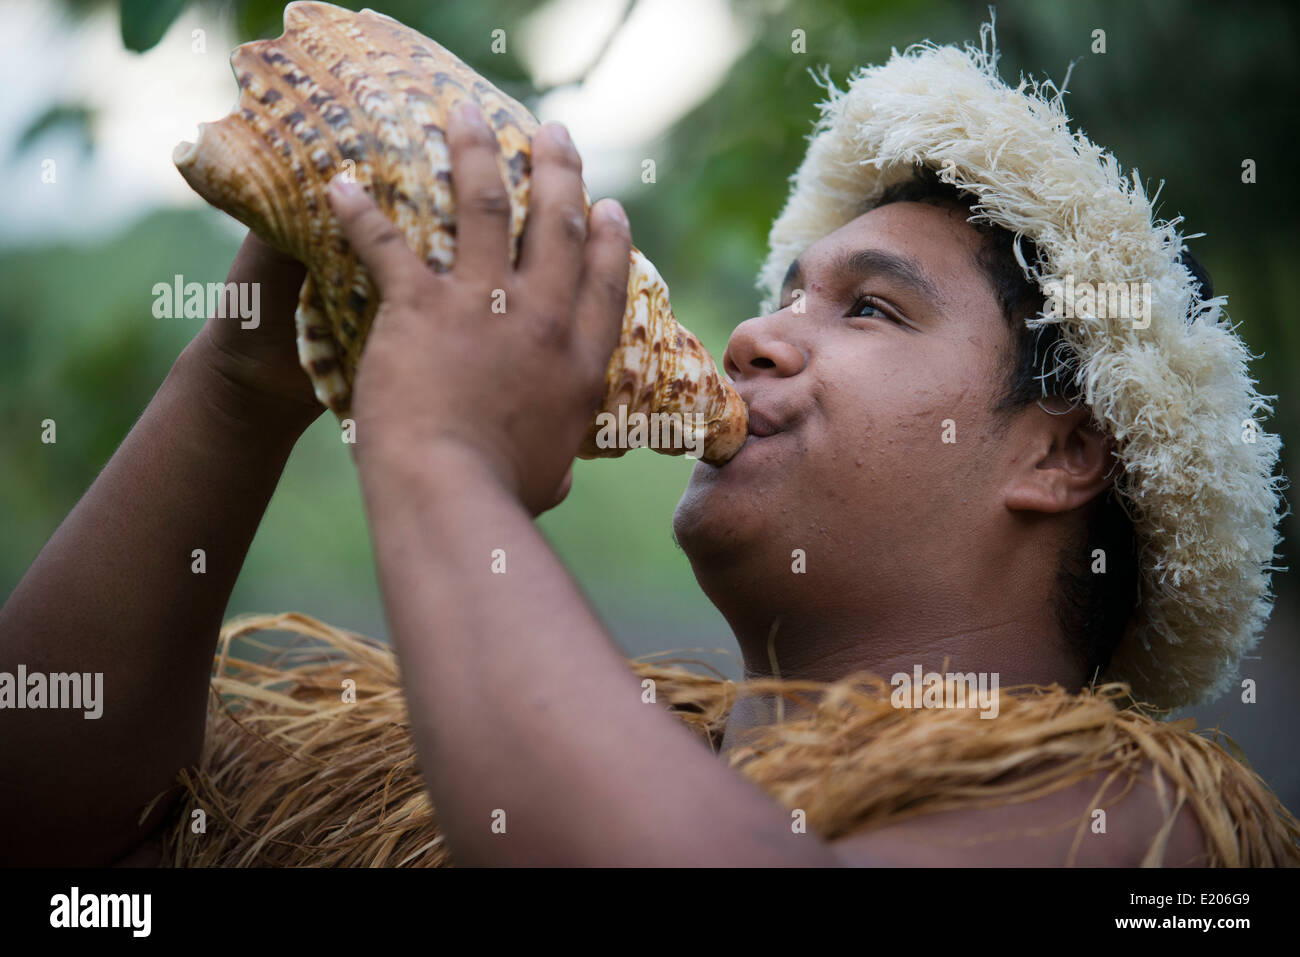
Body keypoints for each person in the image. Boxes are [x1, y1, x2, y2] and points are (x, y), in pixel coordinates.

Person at [1, 24, 1295, 867]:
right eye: (783, 293)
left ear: (1062, 454)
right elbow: (59, 830)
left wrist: (440, 457)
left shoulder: (1148, 830)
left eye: (871, 308)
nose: (756, 339)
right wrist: (239, 387)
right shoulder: (532, 753)